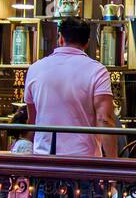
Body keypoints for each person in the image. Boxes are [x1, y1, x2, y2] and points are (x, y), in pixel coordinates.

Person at [25, 17, 118, 158]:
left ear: (60, 39)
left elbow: (32, 119)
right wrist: (113, 163)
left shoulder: (35, 68)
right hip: (83, 159)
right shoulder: (97, 70)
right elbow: (104, 119)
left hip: (44, 157)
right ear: (87, 43)